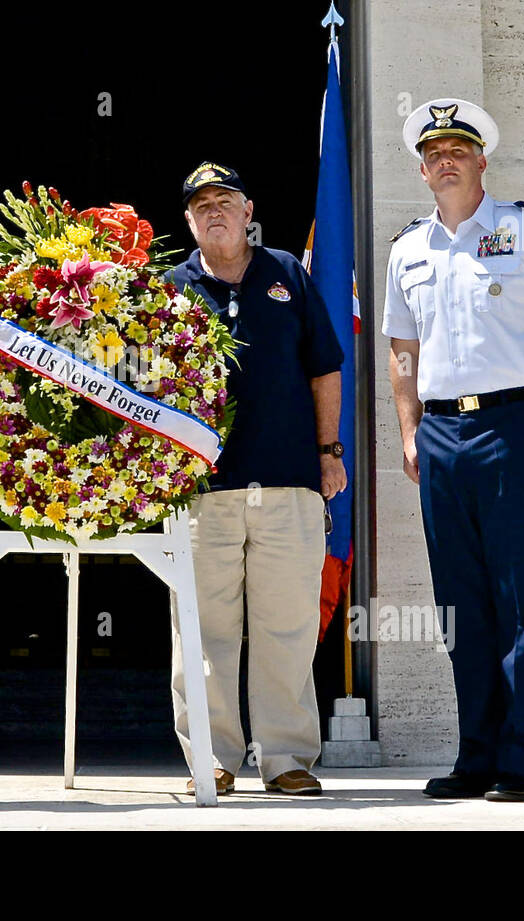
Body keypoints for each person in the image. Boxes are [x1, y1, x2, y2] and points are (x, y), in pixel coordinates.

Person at [382, 99, 524, 802]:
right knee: (462, 604)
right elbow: (401, 348)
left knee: (522, 601)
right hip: (443, 437)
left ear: (483, 160)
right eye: (433, 153)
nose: (444, 160)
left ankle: (523, 760)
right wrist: (409, 429)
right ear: (421, 171)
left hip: (516, 430)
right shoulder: (408, 249)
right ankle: (476, 753)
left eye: (457, 149)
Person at [166, 161, 346, 796]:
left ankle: (287, 759)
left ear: (248, 211)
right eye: (201, 204)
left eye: (226, 200)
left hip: (289, 483)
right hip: (201, 490)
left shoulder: (288, 275)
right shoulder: (168, 288)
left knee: (288, 626)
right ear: (188, 220)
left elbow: (325, 367)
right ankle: (213, 761)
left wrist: (330, 450)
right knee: (204, 632)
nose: (214, 210)